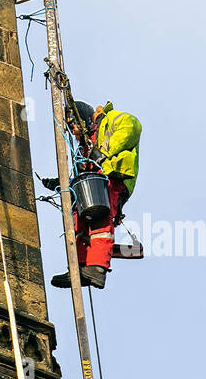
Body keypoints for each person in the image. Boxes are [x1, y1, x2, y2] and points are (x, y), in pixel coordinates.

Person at [51, 100, 141, 290]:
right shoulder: (87, 143)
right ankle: (82, 266)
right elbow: (85, 169)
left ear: (82, 119)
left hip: (114, 176)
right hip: (96, 179)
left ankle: (98, 267)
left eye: (74, 126)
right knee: (80, 217)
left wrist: (103, 151)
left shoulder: (112, 120)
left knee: (100, 216)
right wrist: (61, 184)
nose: (74, 133)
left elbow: (132, 127)